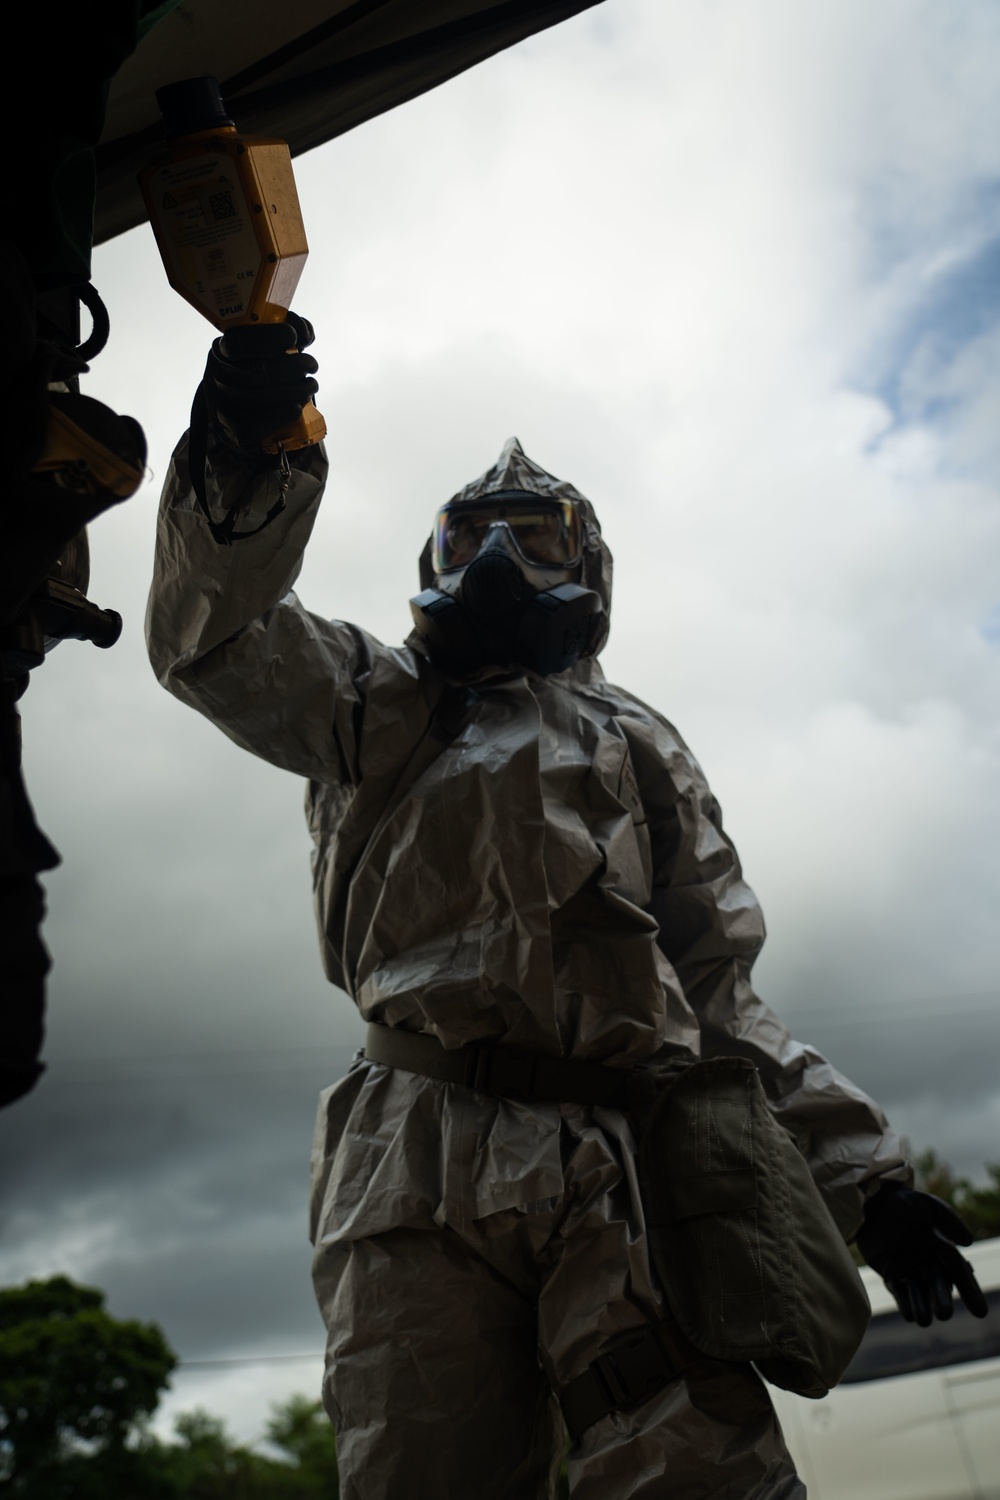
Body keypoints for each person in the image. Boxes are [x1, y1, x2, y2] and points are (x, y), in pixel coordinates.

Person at [146, 319, 987, 1500]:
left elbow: (716, 998)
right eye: (471, 534)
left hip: (625, 1158)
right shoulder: (367, 701)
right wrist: (242, 459)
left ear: (584, 566)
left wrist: (872, 1185)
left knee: (691, 1465)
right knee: (418, 1469)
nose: (496, 555)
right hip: (412, 1147)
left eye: (532, 536)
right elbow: (212, 640)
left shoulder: (636, 742)